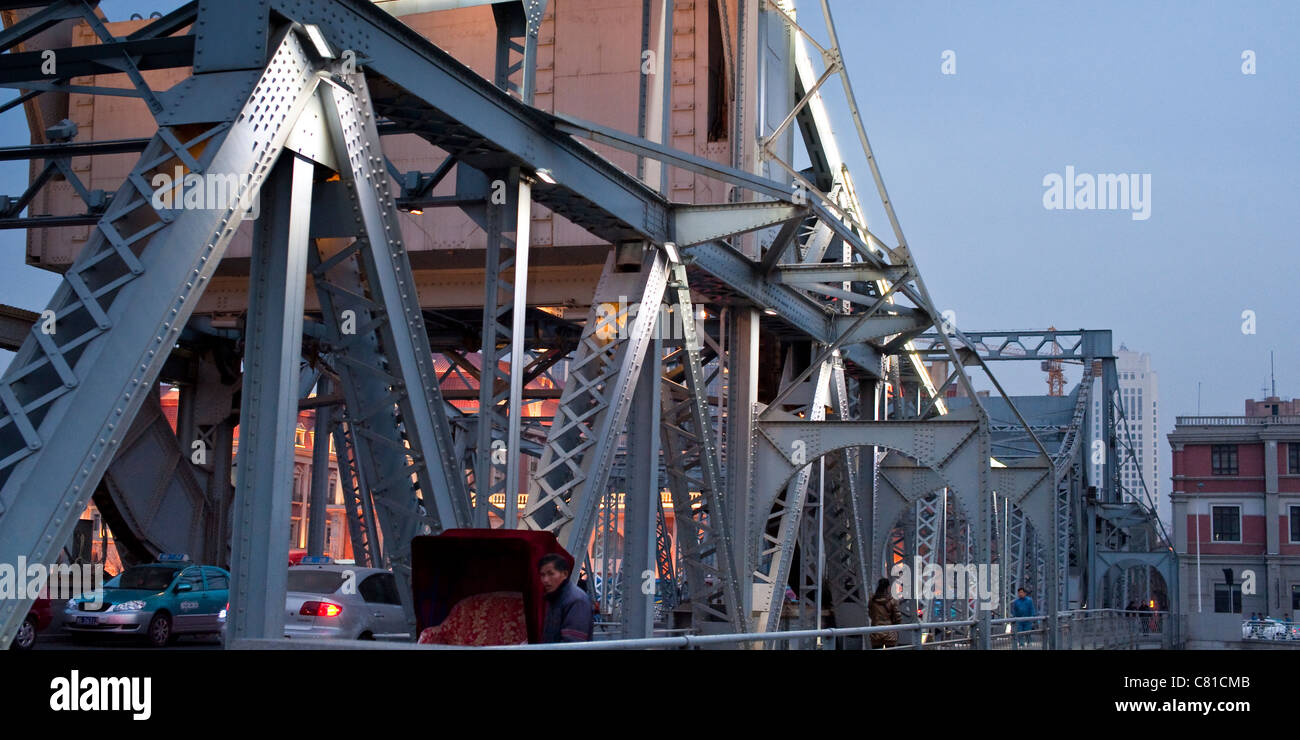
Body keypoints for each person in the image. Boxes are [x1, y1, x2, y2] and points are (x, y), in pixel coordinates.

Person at [538, 553, 594, 643]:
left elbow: (573, 644)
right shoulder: (555, 597)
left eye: (551, 574)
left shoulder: (576, 601)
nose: (545, 580)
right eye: (542, 575)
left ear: (565, 574)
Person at [867, 578, 903, 649]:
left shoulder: (872, 600)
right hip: (889, 632)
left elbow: (870, 613)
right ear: (888, 587)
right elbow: (898, 617)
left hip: (876, 632)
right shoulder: (892, 600)